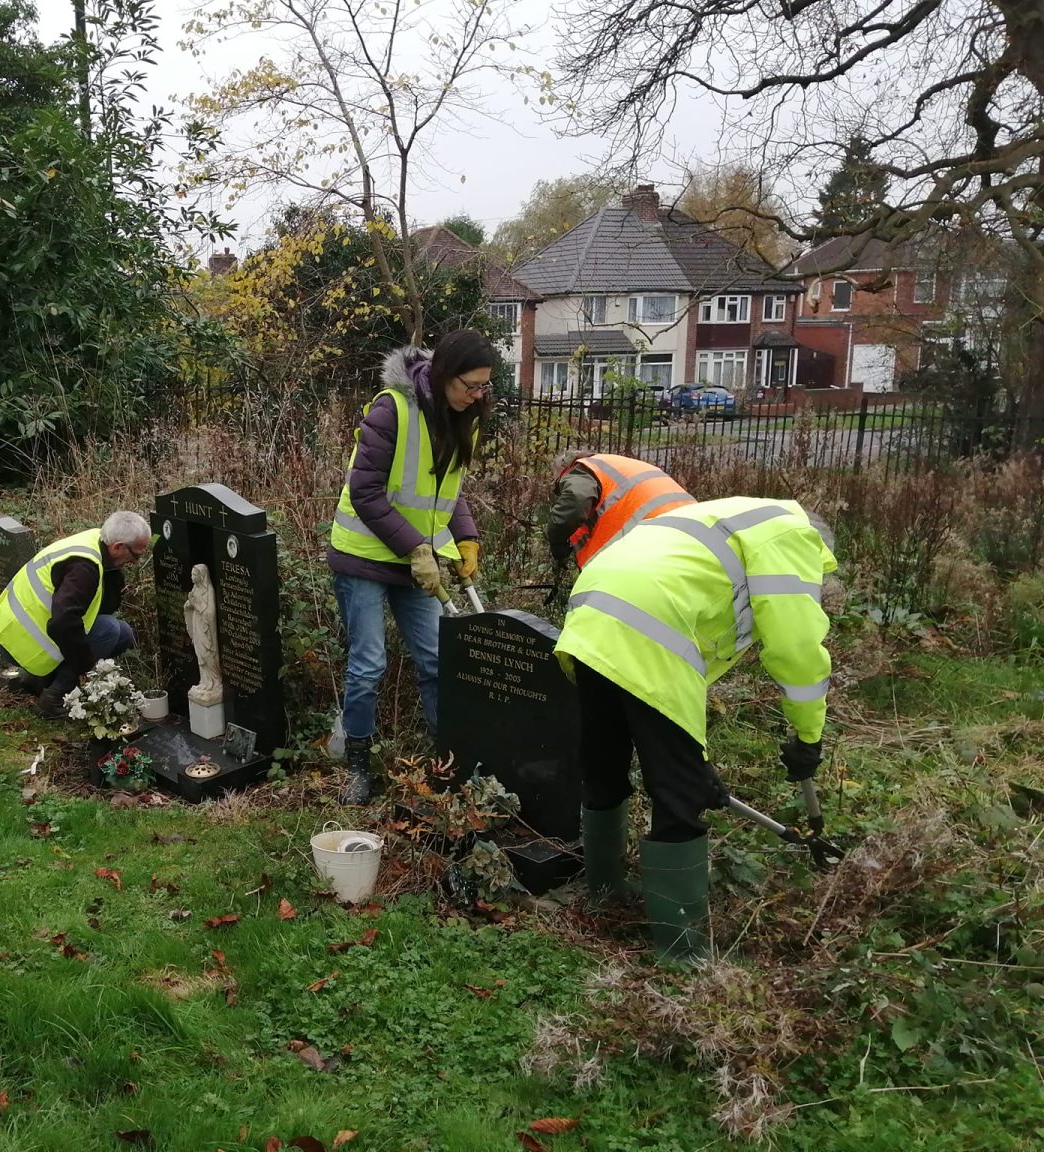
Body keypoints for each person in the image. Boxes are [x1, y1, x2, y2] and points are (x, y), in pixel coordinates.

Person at [554, 497, 837, 964]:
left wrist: (689, 751)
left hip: (592, 609)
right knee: (679, 789)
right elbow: (796, 646)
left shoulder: (738, 514)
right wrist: (809, 736)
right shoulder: (792, 538)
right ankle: (679, 950)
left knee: (604, 761)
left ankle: (604, 894)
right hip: (649, 620)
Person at [327, 331, 496, 803]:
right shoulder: (392, 409)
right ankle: (358, 766)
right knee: (368, 665)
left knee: (437, 660)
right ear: (444, 375)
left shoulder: (466, 417)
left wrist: (465, 538)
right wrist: (415, 548)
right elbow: (364, 492)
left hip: (415, 561)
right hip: (363, 556)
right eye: (472, 385)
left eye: (485, 386)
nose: (478, 395)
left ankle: (450, 761)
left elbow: (448, 488)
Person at [0, 511, 152, 718]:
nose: (136, 562)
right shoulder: (83, 567)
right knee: (110, 631)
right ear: (117, 547)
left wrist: (114, 574)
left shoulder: (96, 540)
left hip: (18, 631)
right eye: (136, 555)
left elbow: (100, 607)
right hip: (24, 641)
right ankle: (52, 698)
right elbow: (62, 623)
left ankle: (39, 680)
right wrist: (88, 667)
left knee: (122, 633)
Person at [545, 450, 694, 572]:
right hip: (693, 529)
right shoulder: (613, 465)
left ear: (563, 470)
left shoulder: (581, 470)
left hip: (653, 539)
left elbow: (576, 501)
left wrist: (556, 539)